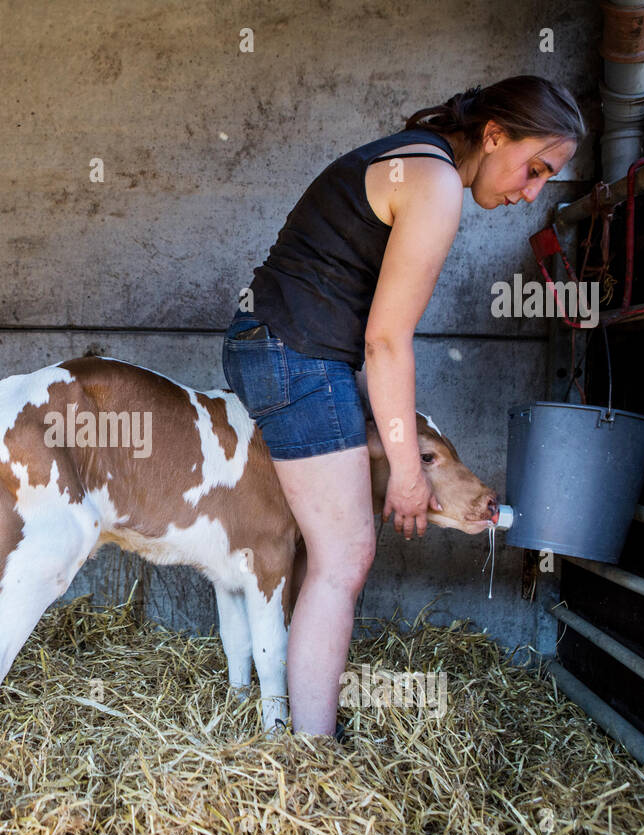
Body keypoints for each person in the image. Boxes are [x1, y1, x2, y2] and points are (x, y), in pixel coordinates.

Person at [221, 75, 585, 736]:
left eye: (546, 180)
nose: (533, 192)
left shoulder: (417, 156)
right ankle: (312, 756)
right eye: (534, 169)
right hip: (295, 352)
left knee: (324, 551)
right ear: (495, 133)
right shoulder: (436, 181)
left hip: (281, 346)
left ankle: (298, 724)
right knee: (348, 556)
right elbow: (386, 342)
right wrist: (409, 476)